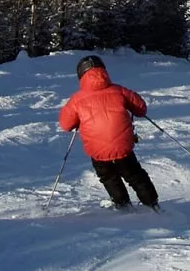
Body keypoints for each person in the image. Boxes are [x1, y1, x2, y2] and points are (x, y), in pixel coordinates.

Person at [58, 54, 160, 211]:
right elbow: (141, 108)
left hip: (96, 148)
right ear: (104, 71)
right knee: (134, 175)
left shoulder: (77, 99)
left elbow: (65, 125)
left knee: (108, 176)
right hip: (123, 145)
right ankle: (152, 205)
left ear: (80, 75)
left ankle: (122, 204)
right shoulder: (119, 90)